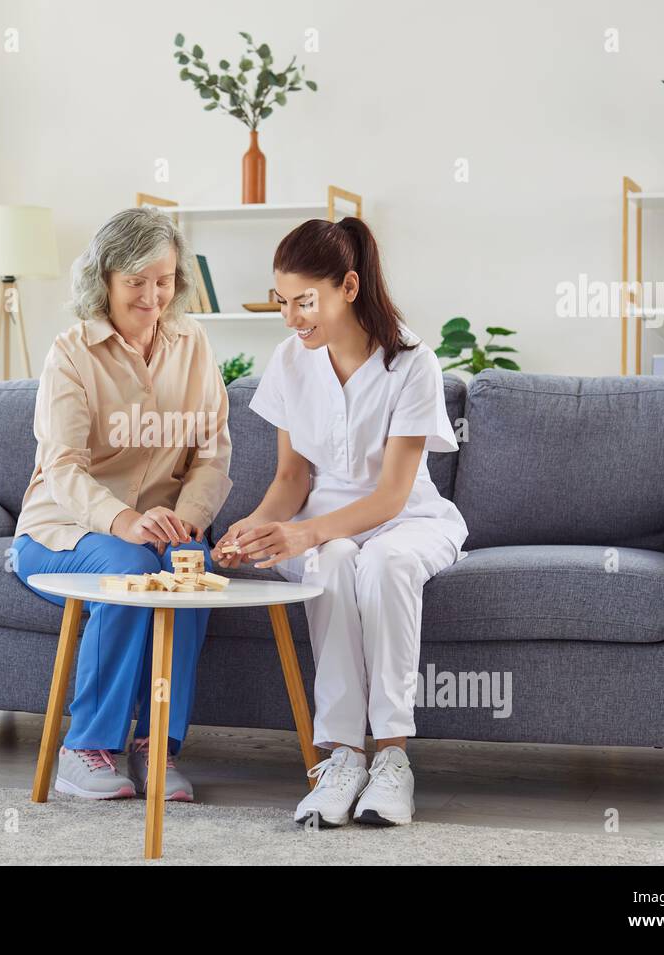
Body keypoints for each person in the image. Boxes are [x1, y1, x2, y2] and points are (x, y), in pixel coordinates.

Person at [215, 216, 467, 828]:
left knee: (383, 560)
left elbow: (389, 497)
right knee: (331, 561)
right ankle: (343, 757)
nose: (292, 317)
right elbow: (291, 480)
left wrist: (301, 532)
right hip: (324, 525)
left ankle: (392, 760)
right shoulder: (289, 361)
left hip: (407, 519)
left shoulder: (412, 362)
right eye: (283, 301)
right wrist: (249, 529)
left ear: (349, 287)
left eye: (306, 301)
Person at [11, 207, 233, 802]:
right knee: (131, 570)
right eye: (136, 282)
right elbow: (62, 469)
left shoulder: (194, 345)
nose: (152, 296)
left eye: (163, 280)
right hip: (60, 534)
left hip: (163, 528)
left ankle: (156, 746)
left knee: (194, 566)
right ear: (104, 280)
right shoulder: (71, 354)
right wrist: (125, 521)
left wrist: (188, 520)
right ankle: (86, 747)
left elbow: (212, 455)